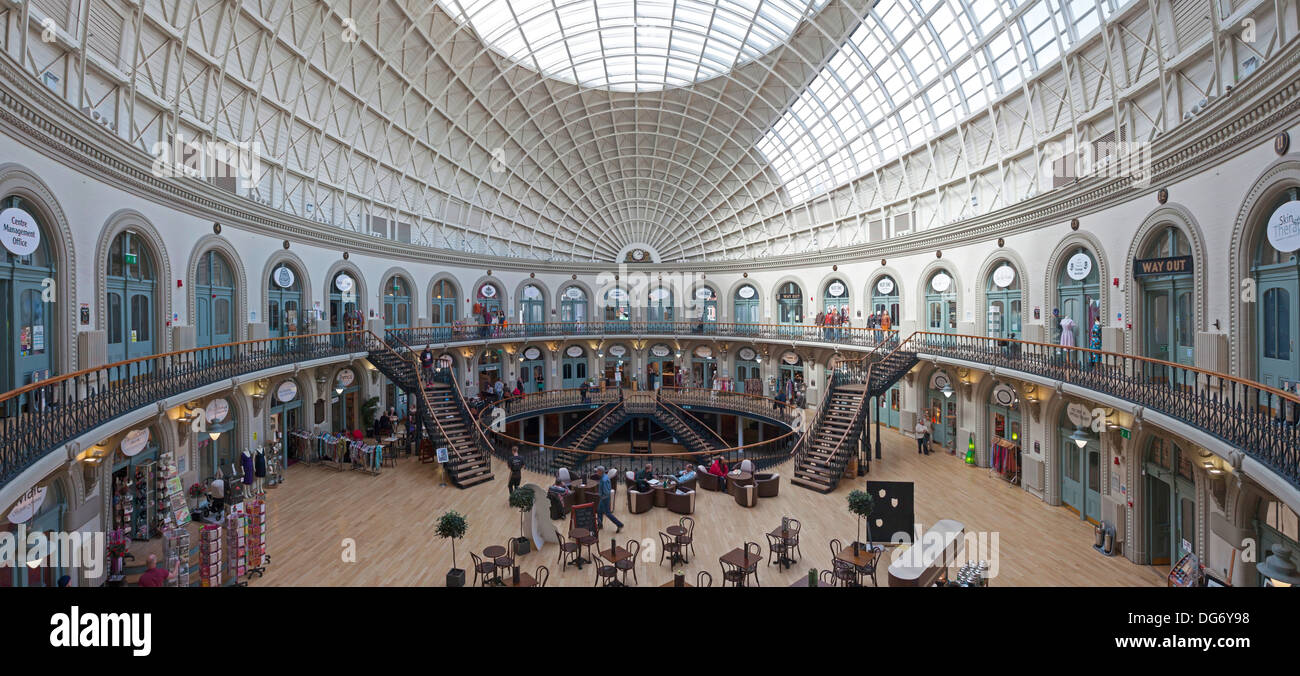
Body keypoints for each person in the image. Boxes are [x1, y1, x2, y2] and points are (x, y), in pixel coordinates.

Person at [596, 466, 623, 532]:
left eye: (597, 471)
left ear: (600, 471)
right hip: (604, 498)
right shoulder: (605, 476)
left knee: (608, 513)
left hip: (604, 498)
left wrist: (602, 497)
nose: (596, 472)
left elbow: (606, 492)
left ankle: (619, 524)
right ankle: (600, 524)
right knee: (599, 510)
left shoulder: (603, 480)